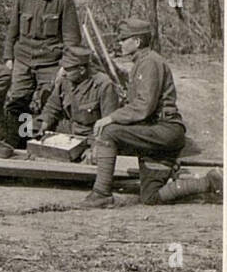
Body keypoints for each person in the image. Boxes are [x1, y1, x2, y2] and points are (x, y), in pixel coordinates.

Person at [81, 17, 222, 207]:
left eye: (124, 39)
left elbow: (143, 107)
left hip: (164, 130)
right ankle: (208, 182)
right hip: (157, 133)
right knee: (151, 197)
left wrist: (110, 118)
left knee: (109, 132)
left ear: (137, 42)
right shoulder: (143, 63)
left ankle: (101, 194)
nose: (120, 43)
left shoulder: (149, 63)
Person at [4, 0, 80, 120]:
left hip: (50, 63)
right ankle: (21, 138)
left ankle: (42, 139)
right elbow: (13, 30)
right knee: (17, 102)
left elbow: (72, 39)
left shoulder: (63, 1)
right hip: (23, 60)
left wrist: (65, 65)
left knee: (49, 104)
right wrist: (8, 57)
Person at [37, 45, 120, 149]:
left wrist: (96, 147)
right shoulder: (66, 81)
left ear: (81, 70)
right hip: (68, 134)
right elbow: (52, 106)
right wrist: (44, 124)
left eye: (67, 70)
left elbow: (108, 126)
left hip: (91, 139)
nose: (63, 73)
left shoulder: (104, 85)